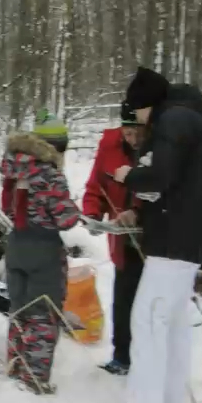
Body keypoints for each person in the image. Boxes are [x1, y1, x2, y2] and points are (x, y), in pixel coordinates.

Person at [104, 67, 202, 403]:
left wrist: (130, 176)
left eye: (136, 110)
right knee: (173, 321)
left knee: (149, 319)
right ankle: (173, 397)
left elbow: (158, 176)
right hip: (187, 237)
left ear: (147, 104)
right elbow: (176, 182)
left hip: (171, 240)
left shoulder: (171, 122)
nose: (136, 119)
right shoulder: (192, 120)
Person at [0, 109, 82, 394]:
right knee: (43, 315)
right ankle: (34, 378)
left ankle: (15, 366)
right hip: (43, 251)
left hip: (16, 246)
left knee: (19, 310)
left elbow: (7, 207)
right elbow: (66, 218)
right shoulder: (48, 174)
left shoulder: (12, 167)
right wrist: (76, 210)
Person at [82, 102, 147, 376]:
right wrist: (93, 213)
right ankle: (121, 357)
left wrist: (137, 212)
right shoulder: (109, 147)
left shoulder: (160, 149)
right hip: (123, 241)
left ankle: (148, 359)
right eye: (128, 133)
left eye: (138, 134)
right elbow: (95, 185)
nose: (133, 140)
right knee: (122, 300)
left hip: (154, 239)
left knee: (148, 303)